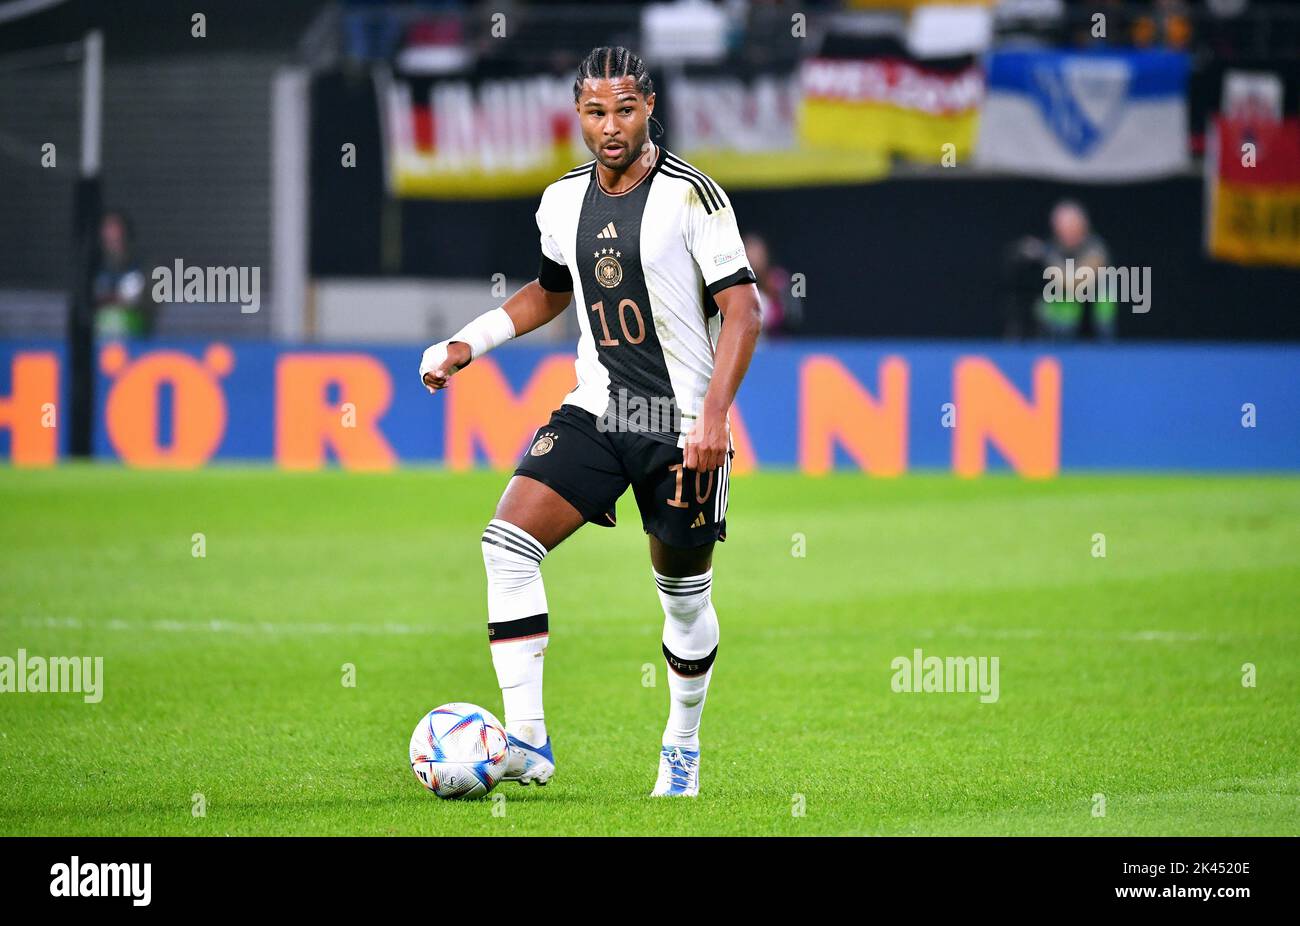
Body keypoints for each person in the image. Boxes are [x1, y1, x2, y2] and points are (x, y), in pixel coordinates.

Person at [419, 47, 761, 797]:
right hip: (598, 410)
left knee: (683, 598)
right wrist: (467, 342)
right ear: (578, 113)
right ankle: (529, 743)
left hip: (679, 429)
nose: (611, 127)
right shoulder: (562, 199)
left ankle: (681, 741)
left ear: (648, 108)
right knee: (506, 546)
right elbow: (548, 293)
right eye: (596, 112)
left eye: (625, 110)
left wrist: (712, 417)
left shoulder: (695, 198)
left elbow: (744, 309)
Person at [1036, 199, 1116, 341]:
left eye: (1070, 225)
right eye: (1060, 226)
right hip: (1056, 328)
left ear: (1082, 225)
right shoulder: (1052, 248)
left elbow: (1075, 284)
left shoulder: (1095, 248)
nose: (1064, 230)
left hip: (1095, 328)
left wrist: (1044, 256)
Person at [93, 211, 150, 339]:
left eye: (114, 228)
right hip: (99, 327)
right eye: (107, 228)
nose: (110, 234)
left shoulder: (136, 266)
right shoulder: (95, 267)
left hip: (130, 326)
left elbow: (132, 300)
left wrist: (112, 300)